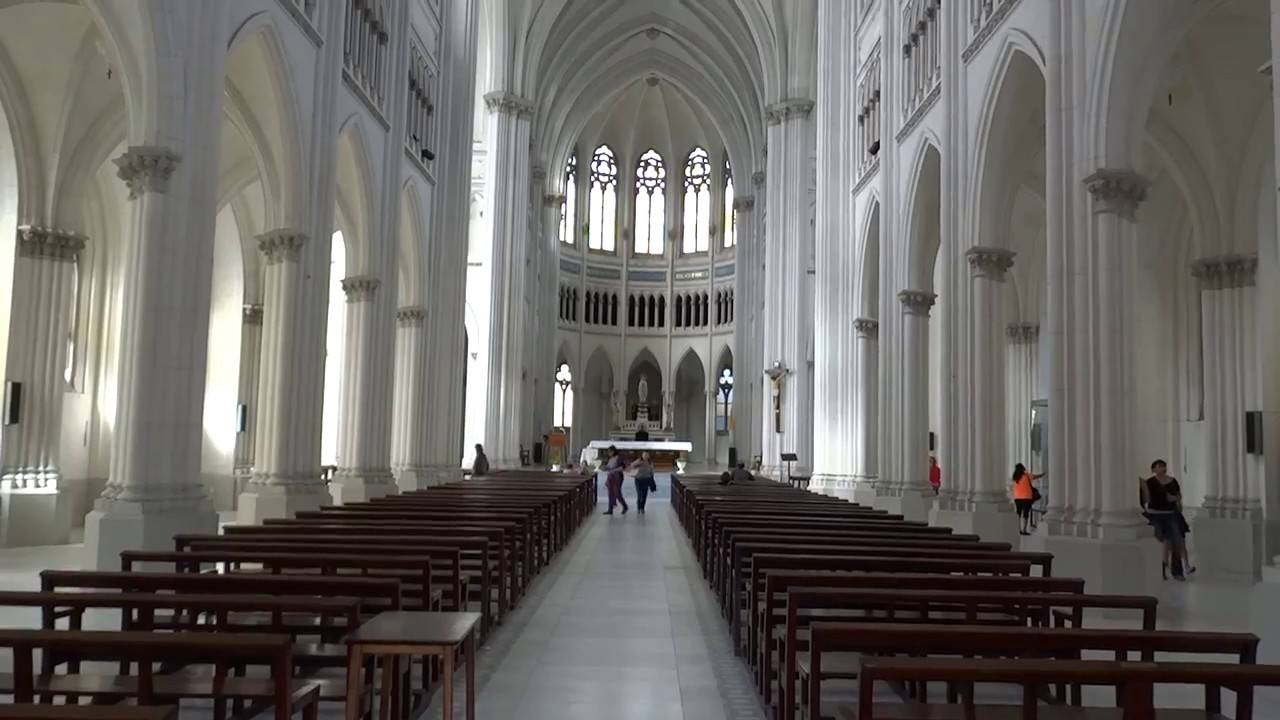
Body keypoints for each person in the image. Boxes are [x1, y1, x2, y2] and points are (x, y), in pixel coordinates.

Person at [1142, 460, 1195, 580]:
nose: (1162, 468)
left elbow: (1178, 495)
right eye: (1159, 466)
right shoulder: (1149, 483)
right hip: (1155, 514)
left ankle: (1177, 571)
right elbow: (1145, 497)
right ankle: (1161, 570)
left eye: (1163, 466)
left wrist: (1174, 498)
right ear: (1154, 469)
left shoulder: (1172, 481)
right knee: (1161, 543)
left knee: (1176, 542)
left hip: (1170, 513)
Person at [1011, 463, 1044, 536]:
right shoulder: (1026, 475)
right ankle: (1024, 530)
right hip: (1027, 497)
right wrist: (1042, 474)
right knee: (1025, 514)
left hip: (1017, 497)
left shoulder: (1015, 477)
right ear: (1022, 469)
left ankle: (1018, 529)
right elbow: (1035, 476)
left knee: (1018, 514)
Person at [602, 446, 629, 515]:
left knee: (617, 493)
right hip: (611, 477)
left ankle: (625, 506)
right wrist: (605, 468)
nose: (609, 453)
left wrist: (612, 470)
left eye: (610, 452)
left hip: (617, 477)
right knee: (610, 493)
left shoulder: (618, 458)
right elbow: (609, 467)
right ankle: (610, 509)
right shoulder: (611, 459)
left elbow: (623, 467)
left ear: (613, 451)